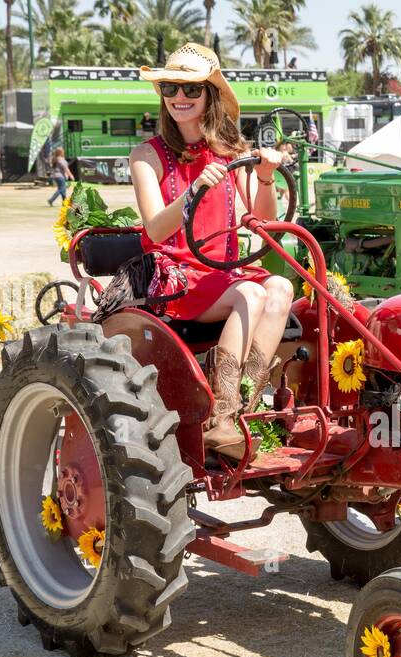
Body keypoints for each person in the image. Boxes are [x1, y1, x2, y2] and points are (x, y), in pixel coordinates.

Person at [131, 43, 294, 461]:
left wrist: (264, 177)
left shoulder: (229, 153)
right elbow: (154, 228)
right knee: (253, 293)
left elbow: (262, 221)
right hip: (175, 278)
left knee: (280, 289)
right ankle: (221, 418)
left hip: (220, 274)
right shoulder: (147, 156)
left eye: (191, 89)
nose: (179, 98)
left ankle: (244, 405)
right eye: (170, 88)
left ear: (210, 96)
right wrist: (193, 190)